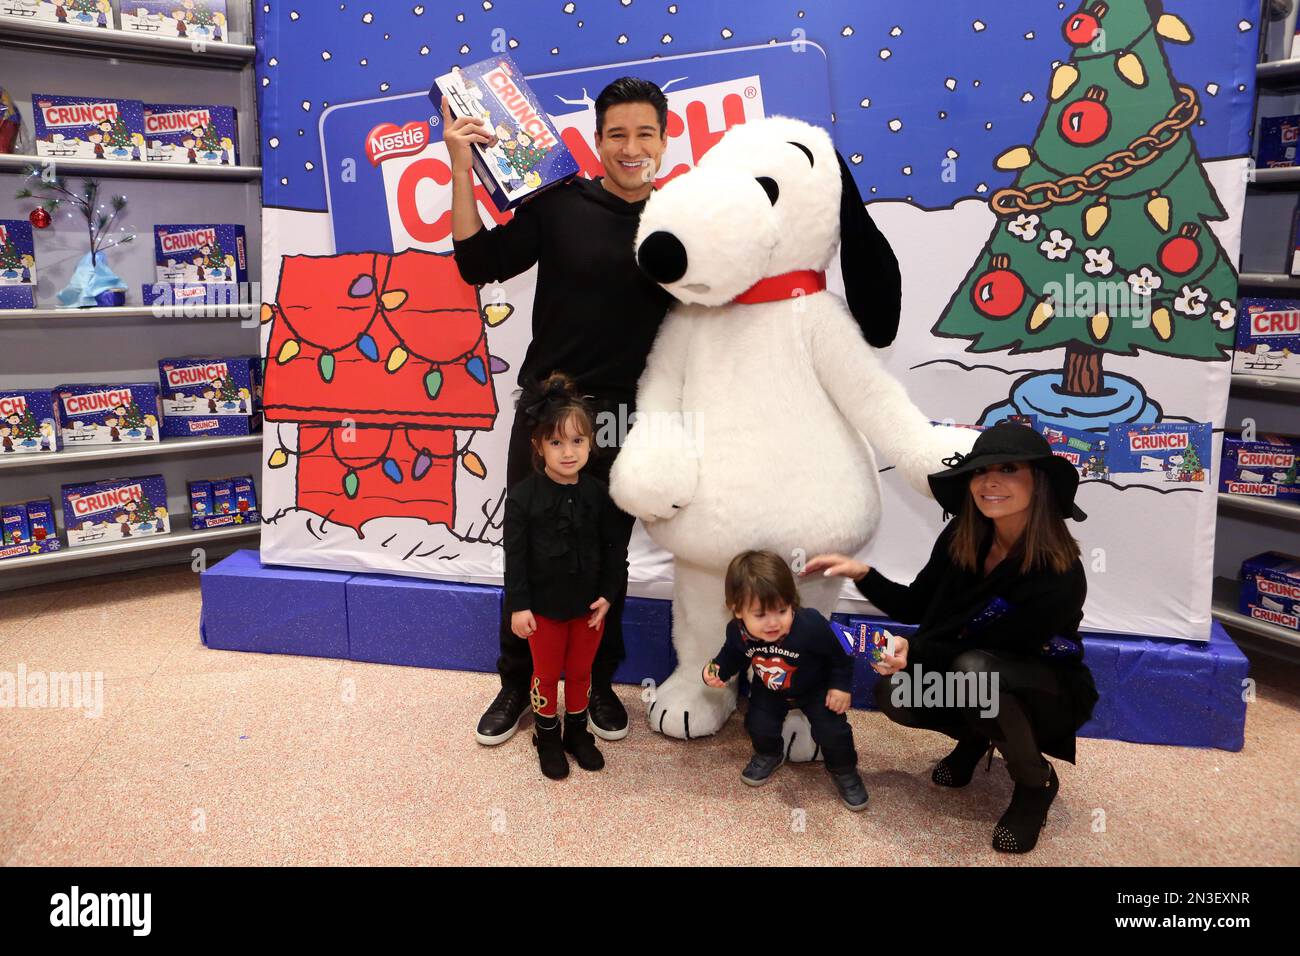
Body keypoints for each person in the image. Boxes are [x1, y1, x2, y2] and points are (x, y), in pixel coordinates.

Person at [446, 76, 675, 745]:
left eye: (646, 133)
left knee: (607, 556)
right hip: (549, 410)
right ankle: (518, 682)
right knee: (534, 549)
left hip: (626, 415)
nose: (632, 148)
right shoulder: (561, 204)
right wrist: (461, 170)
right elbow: (476, 262)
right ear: (597, 139)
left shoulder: (683, 220)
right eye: (618, 134)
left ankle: (596, 683)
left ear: (665, 138)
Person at [804, 422, 1098, 853]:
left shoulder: (1060, 572)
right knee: (898, 693)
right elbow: (915, 606)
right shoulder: (961, 535)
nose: (990, 481)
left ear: (1039, 483)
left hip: (1041, 689)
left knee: (976, 671)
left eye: (1008, 469)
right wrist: (862, 573)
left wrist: (916, 650)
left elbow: (1003, 647)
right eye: (980, 471)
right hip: (970, 669)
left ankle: (1035, 783)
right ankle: (976, 737)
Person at [503, 374, 628, 779]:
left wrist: (608, 595)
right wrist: (519, 605)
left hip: (589, 610)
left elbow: (613, 551)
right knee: (545, 673)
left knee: (579, 673)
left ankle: (577, 731)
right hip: (543, 611)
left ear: (590, 443)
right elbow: (515, 558)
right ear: (539, 447)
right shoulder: (524, 497)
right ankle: (546, 734)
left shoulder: (597, 494)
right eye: (556, 442)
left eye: (577, 441)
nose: (568, 451)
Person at [703, 550, 870, 811]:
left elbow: (841, 655)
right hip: (769, 688)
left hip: (816, 688)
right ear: (736, 610)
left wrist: (840, 686)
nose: (773, 623)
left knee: (833, 732)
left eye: (782, 610)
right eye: (760, 615)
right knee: (757, 724)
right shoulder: (736, 632)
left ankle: (844, 770)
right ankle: (769, 754)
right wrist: (715, 670)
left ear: (793, 602)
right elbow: (731, 656)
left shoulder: (811, 624)